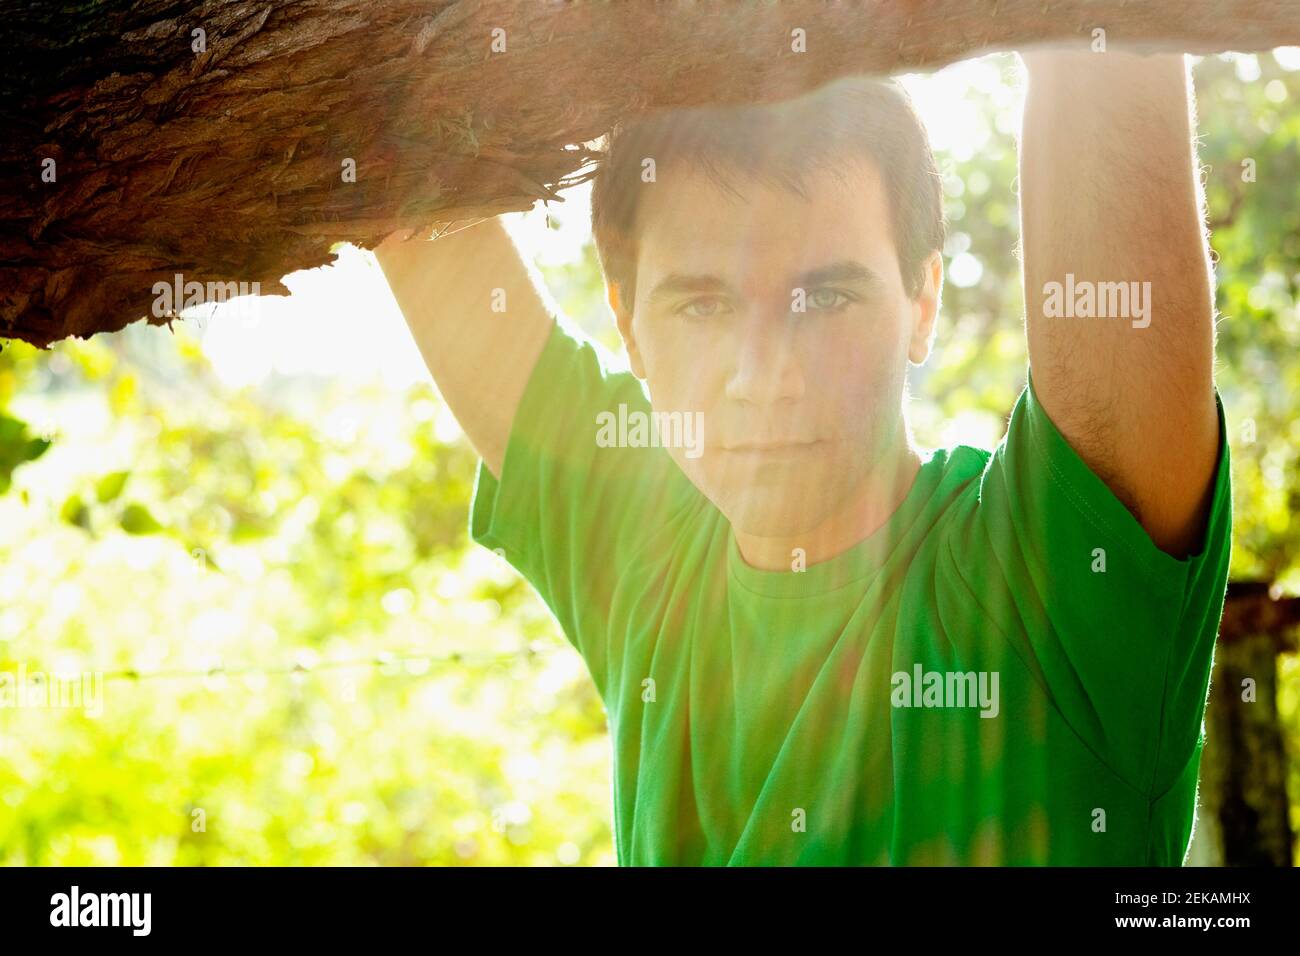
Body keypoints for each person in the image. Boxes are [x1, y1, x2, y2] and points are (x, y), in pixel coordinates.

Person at [375, 50, 1231, 865]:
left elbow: (1107, 41)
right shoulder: (643, 547)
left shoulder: (1050, 584)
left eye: (823, 297)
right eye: (702, 306)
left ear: (922, 299)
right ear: (629, 322)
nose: (762, 378)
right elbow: (395, 149)